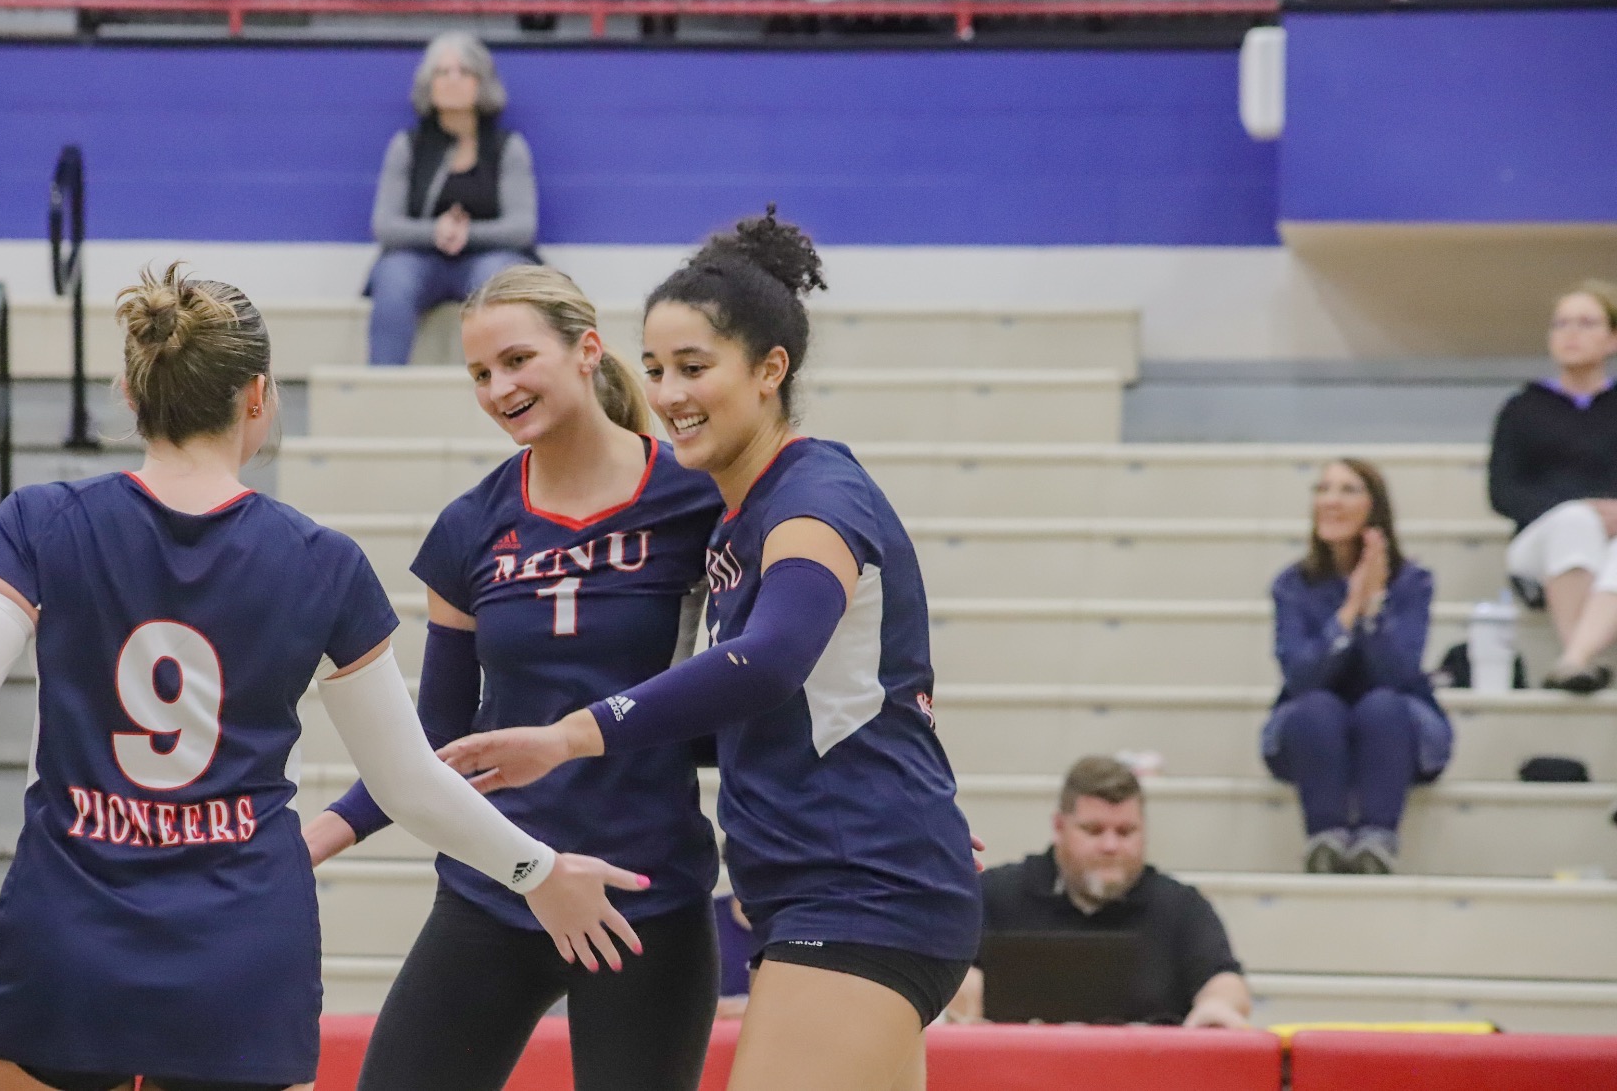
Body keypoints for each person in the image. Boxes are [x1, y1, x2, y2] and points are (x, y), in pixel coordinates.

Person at [0, 265, 647, 1091]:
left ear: (132, 393)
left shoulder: (40, 521)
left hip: (65, 943)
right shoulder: (323, 563)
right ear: (257, 395)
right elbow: (406, 781)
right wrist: (537, 869)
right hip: (242, 958)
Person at [438, 209, 983, 1091]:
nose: (668, 392)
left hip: (861, 890)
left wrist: (570, 734)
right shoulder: (736, 512)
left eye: (695, 367)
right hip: (844, 882)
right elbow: (780, 706)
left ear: (771, 370)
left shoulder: (815, 497)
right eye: (653, 369)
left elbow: (770, 660)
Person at [304, 264, 724, 1091]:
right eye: (480, 373)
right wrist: (312, 837)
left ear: (587, 352)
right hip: (499, 882)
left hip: (645, 894)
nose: (499, 388)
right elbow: (433, 739)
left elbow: (754, 678)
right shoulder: (470, 526)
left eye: (517, 360)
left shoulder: (697, 499)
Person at [945, 757, 1250, 1029]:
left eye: (1125, 832)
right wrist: (963, 993)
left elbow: (1223, 981)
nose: (1110, 846)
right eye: (1093, 830)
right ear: (1059, 827)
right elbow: (950, 975)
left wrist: (1218, 1005)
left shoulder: (1182, 907)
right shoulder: (997, 895)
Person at [1266, 458, 1451, 875]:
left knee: (1381, 705)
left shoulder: (1412, 581)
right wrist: (1349, 611)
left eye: (1347, 490)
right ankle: (1325, 840)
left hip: (1400, 727)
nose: (1330, 501)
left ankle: (1377, 842)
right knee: (1317, 706)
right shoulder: (1292, 585)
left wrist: (1375, 609)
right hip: (1308, 728)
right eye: (1323, 489)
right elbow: (1300, 677)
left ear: (1375, 507)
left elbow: (1399, 674)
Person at [366, 32, 539, 366]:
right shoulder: (407, 146)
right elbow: (385, 226)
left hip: (489, 257)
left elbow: (522, 228)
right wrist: (435, 232)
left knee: (499, 278)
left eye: (463, 71)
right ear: (428, 85)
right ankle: (383, 392)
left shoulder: (507, 147)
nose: (452, 80)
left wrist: (468, 234)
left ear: (482, 82)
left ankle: (501, 386)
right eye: (442, 72)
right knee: (394, 277)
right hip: (419, 259)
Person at [1488, 281, 1617, 690]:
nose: (1571, 333)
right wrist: (1585, 508)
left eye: (1586, 323)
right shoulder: (1522, 408)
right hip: (1542, 542)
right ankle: (1580, 652)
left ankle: (1574, 659)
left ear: (1612, 338)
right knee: (1576, 522)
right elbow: (1504, 491)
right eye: (1561, 324)